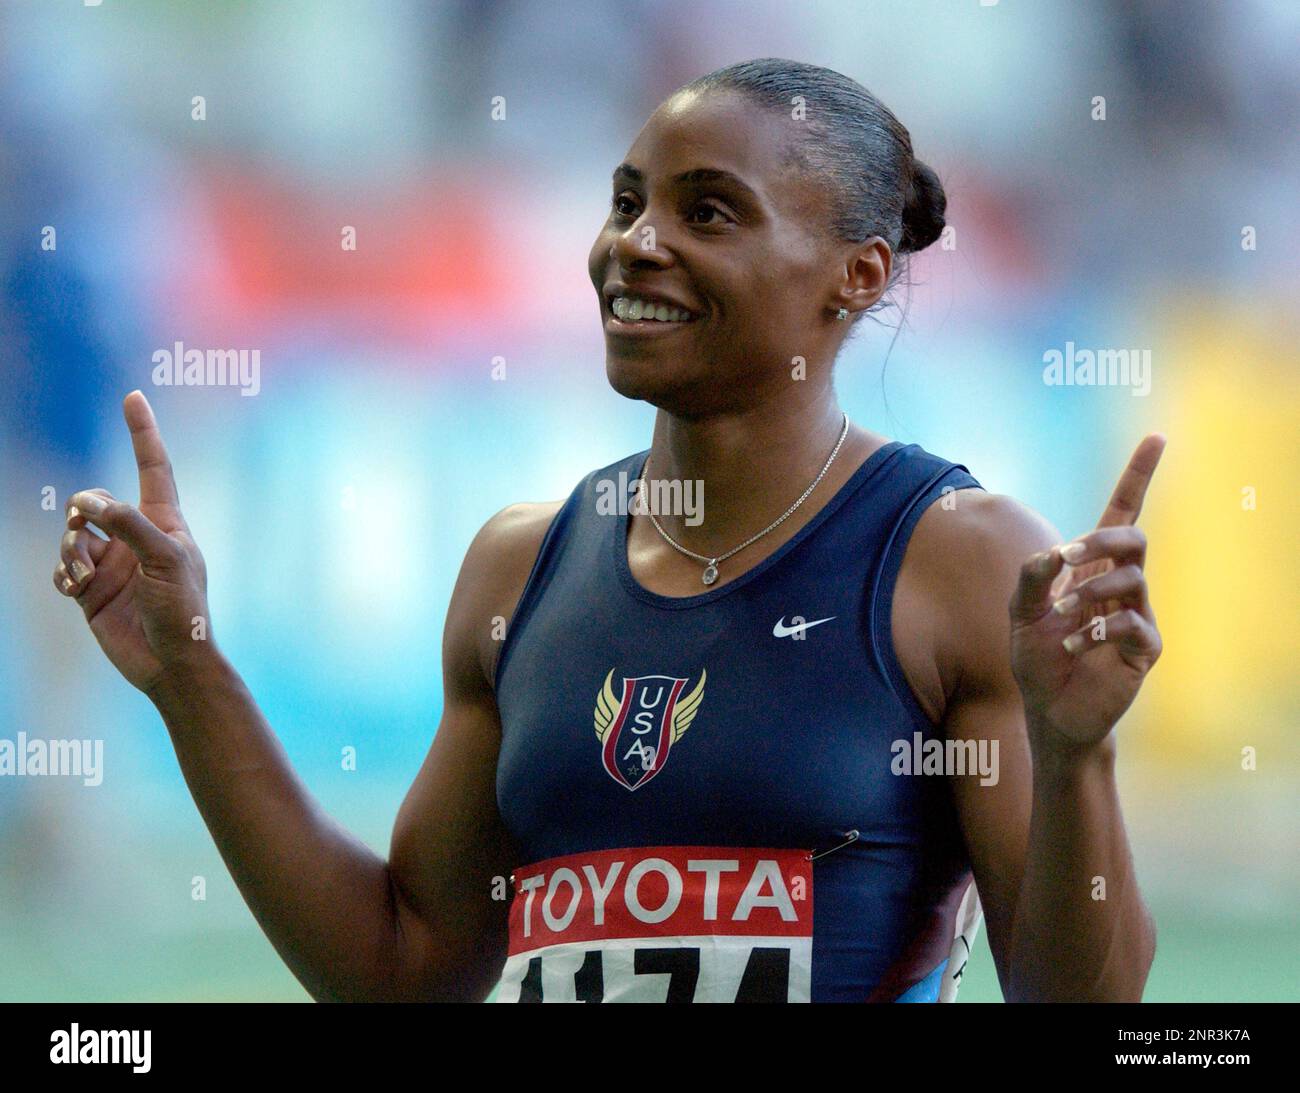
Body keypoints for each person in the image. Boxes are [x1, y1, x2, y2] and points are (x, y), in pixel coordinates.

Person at [53, 58, 1164, 1002]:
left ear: (856, 274)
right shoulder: (520, 566)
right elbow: (403, 966)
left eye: (707, 212)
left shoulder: (955, 560)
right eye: (627, 201)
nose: (635, 243)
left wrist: (1075, 758)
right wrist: (190, 679)